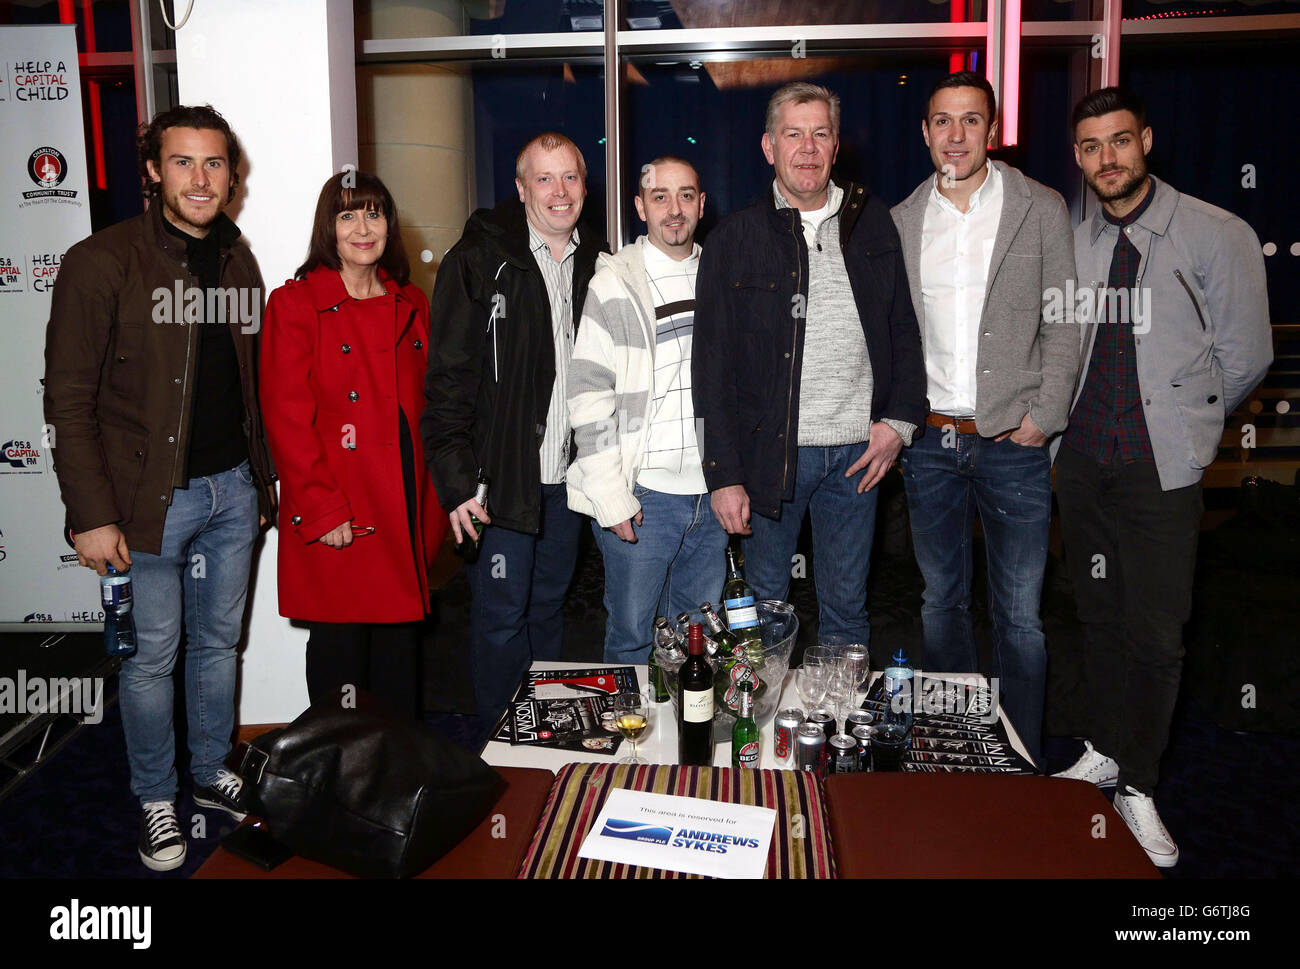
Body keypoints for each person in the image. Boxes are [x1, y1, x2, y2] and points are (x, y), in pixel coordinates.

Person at [44, 104, 276, 870]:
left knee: (218, 645)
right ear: (152, 170)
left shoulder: (239, 258)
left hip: (233, 491)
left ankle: (209, 771)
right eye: (184, 162)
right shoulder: (100, 261)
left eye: (215, 163)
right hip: (149, 503)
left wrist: (262, 481)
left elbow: (246, 384)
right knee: (151, 658)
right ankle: (154, 798)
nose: (201, 178)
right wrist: (91, 514)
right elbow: (68, 399)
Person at [1051, 87, 1273, 867]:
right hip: (1082, 465)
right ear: (1077, 157)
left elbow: (1247, 354)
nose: (1106, 158)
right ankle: (1106, 748)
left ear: (1145, 139)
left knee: (1156, 633)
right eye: (1089, 147)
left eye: (1118, 141)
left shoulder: (1217, 231)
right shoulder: (1072, 242)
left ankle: (1139, 783)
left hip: (1159, 471)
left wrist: (1187, 422)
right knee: (1099, 618)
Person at [693, 82, 926, 647]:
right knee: (766, 612)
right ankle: (762, 728)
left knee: (848, 612)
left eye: (820, 134)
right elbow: (712, 366)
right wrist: (723, 476)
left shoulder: (873, 224)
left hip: (857, 456)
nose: (807, 147)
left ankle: (840, 730)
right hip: (774, 455)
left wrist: (898, 423)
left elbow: (903, 329)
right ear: (769, 147)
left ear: (836, 144)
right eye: (792, 134)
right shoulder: (735, 239)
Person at [890, 72, 1079, 767]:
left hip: (1013, 440)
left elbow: (1065, 318)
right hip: (932, 440)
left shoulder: (1041, 206)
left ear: (991, 129)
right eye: (943, 121)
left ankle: (1021, 757)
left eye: (971, 120)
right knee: (942, 601)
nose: (956, 134)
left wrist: (1044, 415)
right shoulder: (902, 219)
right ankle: (959, 750)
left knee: (1020, 616)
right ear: (925, 131)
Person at [422, 133, 604, 726]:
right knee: (501, 620)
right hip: (497, 485)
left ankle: (544, 734)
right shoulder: (478, 261)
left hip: (567, 483)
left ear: (584, 185)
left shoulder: (599, 265)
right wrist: (456, 485)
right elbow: (447, 383)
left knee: (550, 612)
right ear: (521, 188)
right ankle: (503, 758)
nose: (559, 191)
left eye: (570, 177)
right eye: (544, 179)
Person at [260, 171, 447, 719]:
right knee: (340, 653)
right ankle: (337, 776)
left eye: (374, 214)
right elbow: (287, 420)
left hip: (405, 499)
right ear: (328, 229)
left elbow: (431, 404)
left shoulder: (410, 300)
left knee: (400, 649)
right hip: (342, 502)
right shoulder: (295, 305)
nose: (363, 228)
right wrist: (321, 508)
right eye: (348, 216)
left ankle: (397, 776)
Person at [567, 156, 725, 664]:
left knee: (697, 642)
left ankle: (685, 741)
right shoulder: (614, 283)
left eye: (685, 196)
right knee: (633, 639)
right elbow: (587, 394)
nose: (674, 210)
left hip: (713, 494)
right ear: (640, 207)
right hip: (644, 495)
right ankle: (631, 741)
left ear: (702, 205)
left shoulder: (723, 278)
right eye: (660, 197)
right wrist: (611, 495)